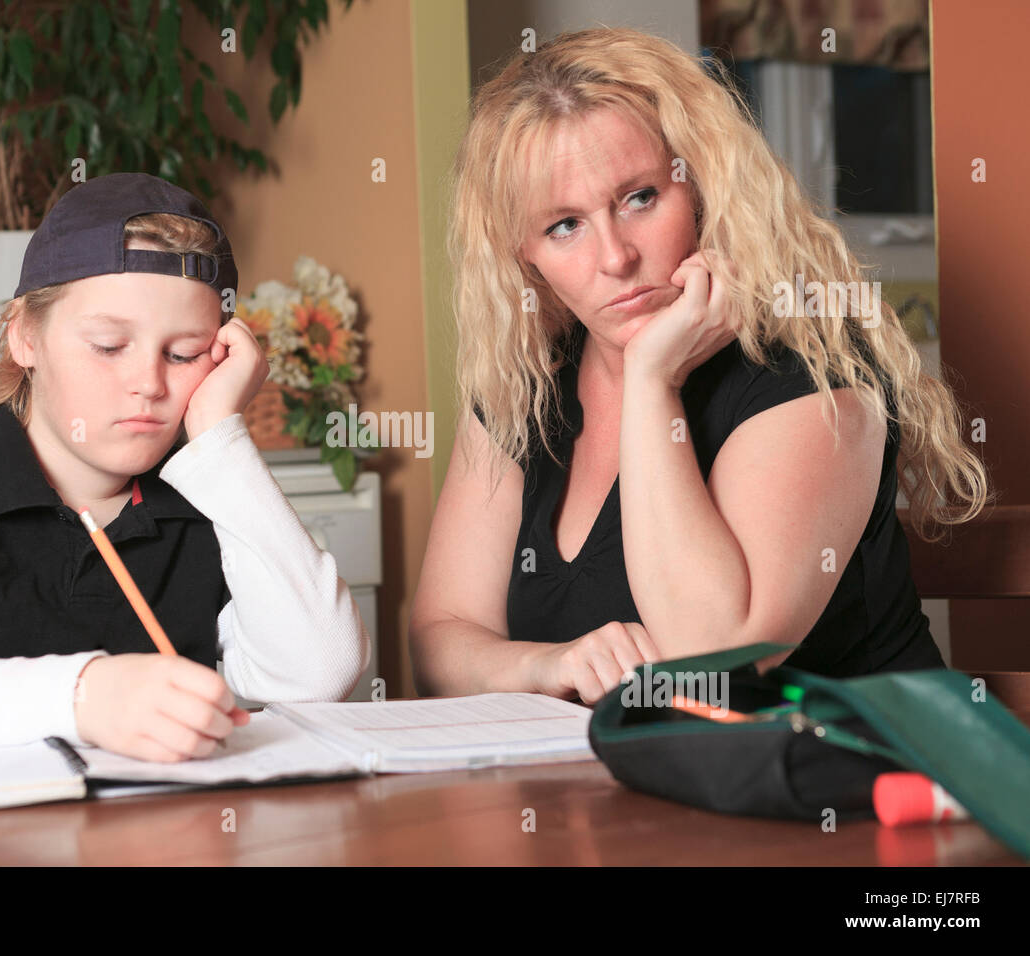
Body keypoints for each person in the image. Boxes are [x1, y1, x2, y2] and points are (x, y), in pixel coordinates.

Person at [410, 28, 988, 703]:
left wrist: (653, 383)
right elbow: (441, 636)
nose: (616, 257)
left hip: (858, 790)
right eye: (564, 225)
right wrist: (546, 666)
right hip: (620, 797)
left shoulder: (812, 375)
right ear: (525, 256)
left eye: (641, 197)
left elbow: (715, 661)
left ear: (703, 189)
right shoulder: (528, 386)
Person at [0, 173, 369, 761]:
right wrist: (86, 697)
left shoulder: (210, 500)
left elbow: (319, 673)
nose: (149, 384)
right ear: (23, 336)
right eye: (108, 345)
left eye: (183, 354)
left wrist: (219, 438)